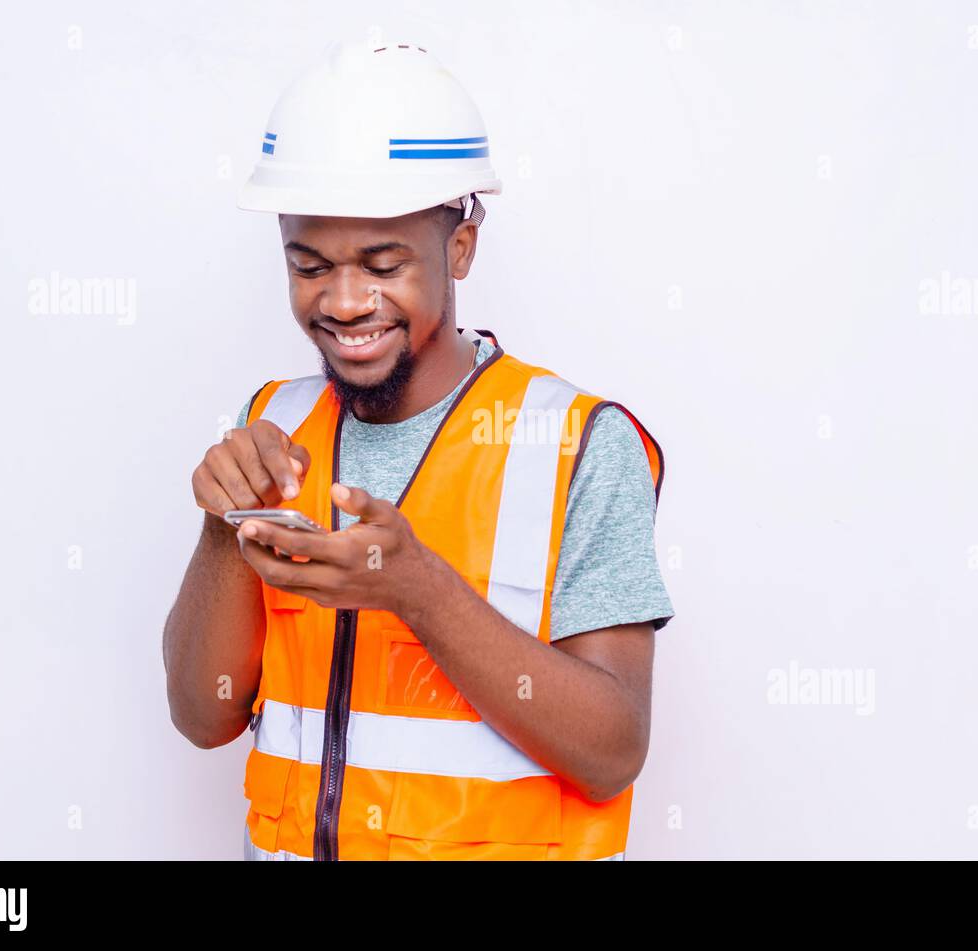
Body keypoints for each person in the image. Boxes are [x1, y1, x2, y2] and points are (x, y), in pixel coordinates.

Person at [162, 39, 674, 861]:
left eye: (383, 263)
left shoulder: (575, 445)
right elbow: (201, 714)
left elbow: (612, 752)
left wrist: (418, 590)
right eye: (309, 264)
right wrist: (224, 526)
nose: (344, 301)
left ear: (460, 247)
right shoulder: (273, 423)